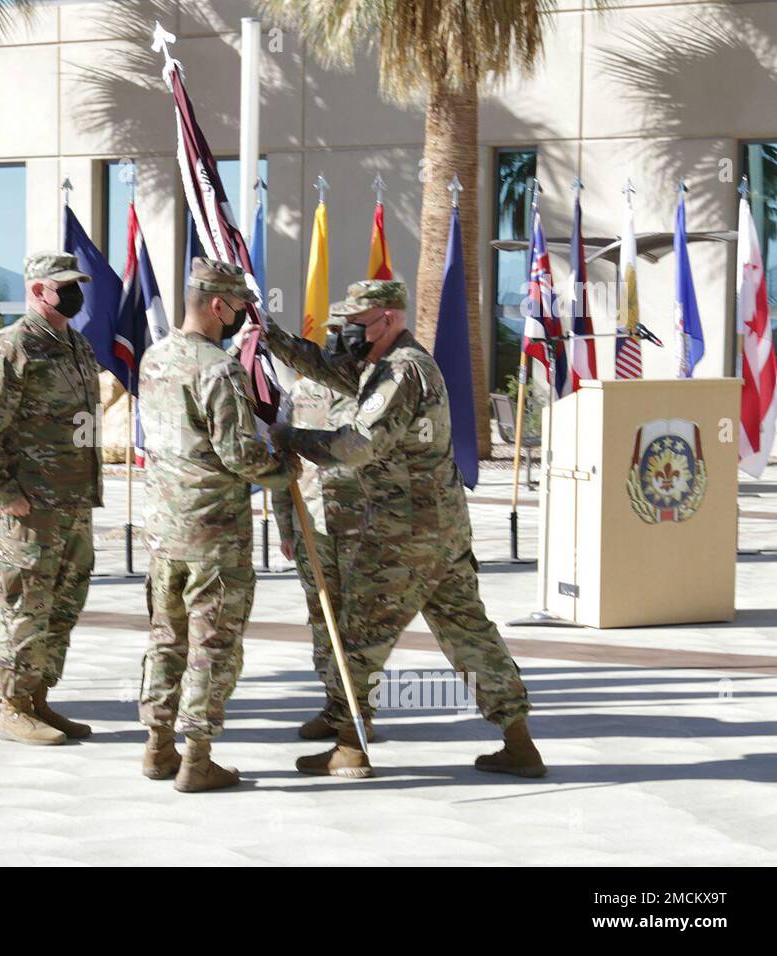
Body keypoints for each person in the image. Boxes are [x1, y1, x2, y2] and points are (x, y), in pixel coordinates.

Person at [264, 279, 546, 779]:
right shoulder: (380, 365)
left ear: (389, 319)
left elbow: (356, 447)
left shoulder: (402, 371)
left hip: (406, 533)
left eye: (357, 323)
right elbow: (325, 368)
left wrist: (290, 436)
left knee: (358, 632)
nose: (347, 332)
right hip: (439, 529)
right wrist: (271, 336)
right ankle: (518, 741)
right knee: (468, 633)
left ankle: (350, 747)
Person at [137, 258, 300, 793]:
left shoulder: (154, 359)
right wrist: (284, 467)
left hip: (164, 530)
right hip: (214, 537)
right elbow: (239, 455)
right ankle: (197, 757)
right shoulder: (218, 368)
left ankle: (157, 746)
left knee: (167, 640)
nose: (239, 319)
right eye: (237, 308)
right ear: (216, 305)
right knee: (213, 646)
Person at [0, 251, 102, 747]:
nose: (74, 292)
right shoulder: (12, 346)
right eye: (63, 284)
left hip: (73, 504)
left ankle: (39, 697)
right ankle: (13, 706)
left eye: (76, 283)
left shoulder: (77, 345)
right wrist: (3, 492)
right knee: (25, 607)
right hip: (29, 508)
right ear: (37, 290)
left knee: (62, 606)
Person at [269, 309, 370, 741]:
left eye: (340, 337)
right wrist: (284, 526)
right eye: (326, 337)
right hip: (312, 522)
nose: (332, 346)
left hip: (363, 525)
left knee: (361, 620)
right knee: (322, 617)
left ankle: (360, 709)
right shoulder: (299, 393)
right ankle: (333, 704)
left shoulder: (367, 389)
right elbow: (283, 461)